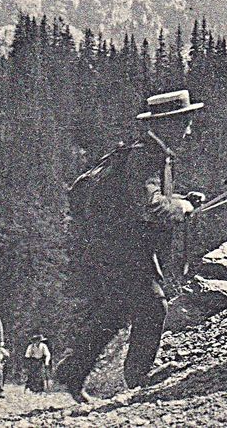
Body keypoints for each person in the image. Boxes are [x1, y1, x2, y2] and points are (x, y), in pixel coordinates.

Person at [55, 90, 205, 403]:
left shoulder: (152, 154)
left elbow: (145, 201)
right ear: (170, 124)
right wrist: (182, 209)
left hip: (117, 246)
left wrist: (182, 201)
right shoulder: (147, 156)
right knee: (153, 306)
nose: (189, 129)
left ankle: (73, 371)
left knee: (115, 310)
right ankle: (138, 378)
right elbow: (149, 206)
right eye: (186, 122)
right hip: (121, 249)